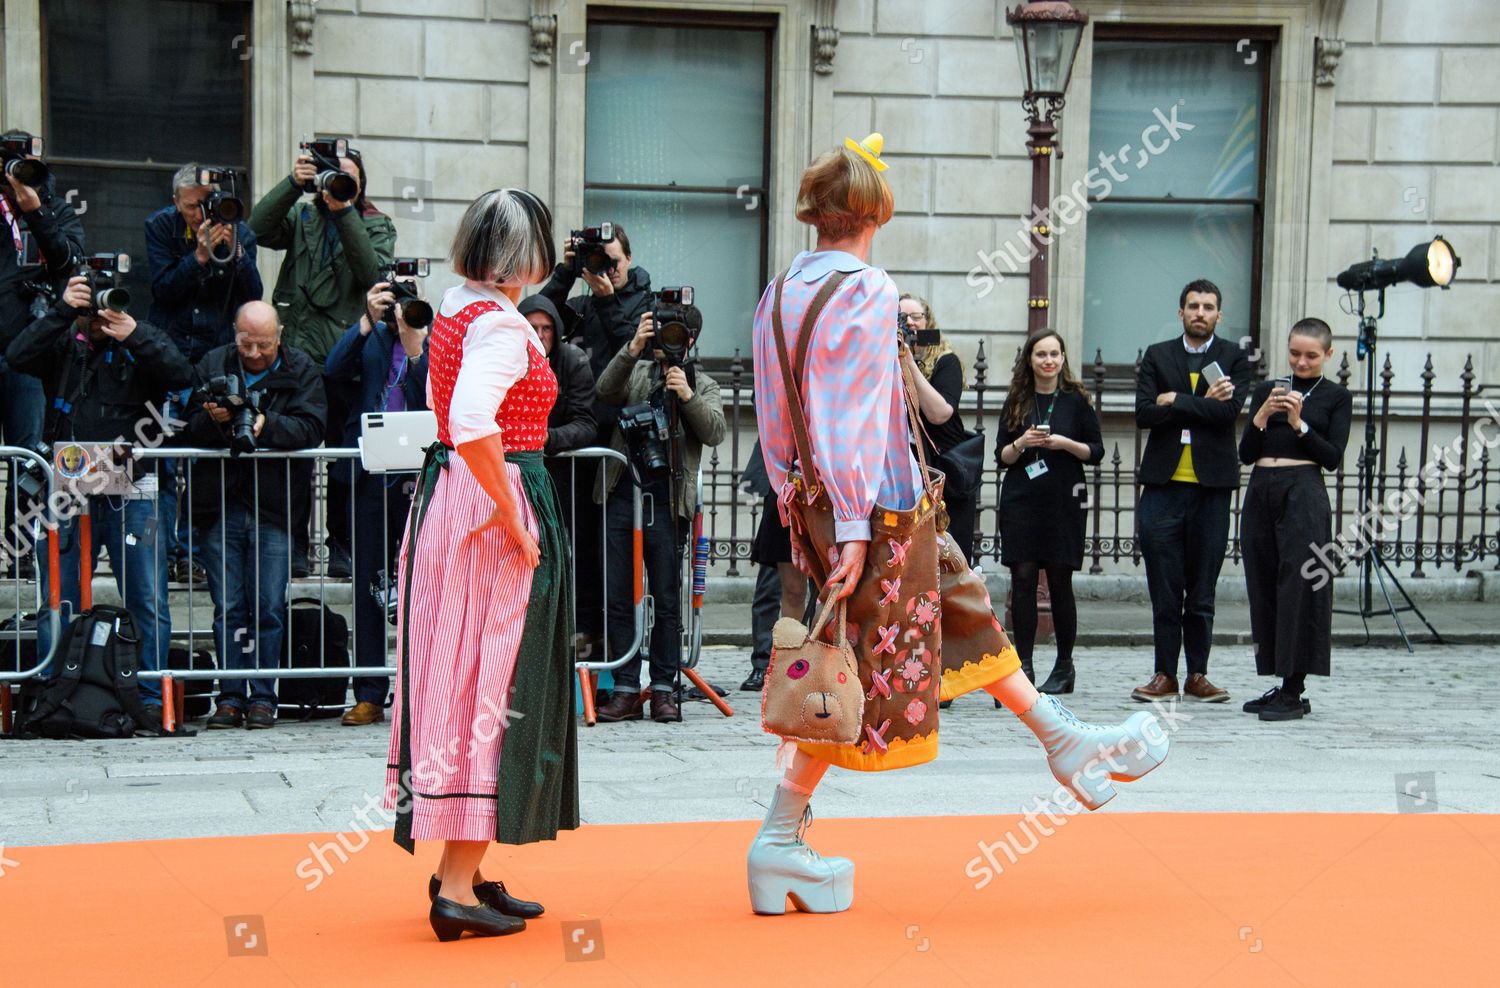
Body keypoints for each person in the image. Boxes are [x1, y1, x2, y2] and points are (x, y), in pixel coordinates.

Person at [747, 134, 1169, 916]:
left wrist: (806, 507)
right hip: (871, 507)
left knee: (956, 609)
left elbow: (777, 420)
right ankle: (776, 839)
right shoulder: (867, 289)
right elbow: (847, 418)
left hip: (832, 501)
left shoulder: (777, 294)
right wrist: (851, 525)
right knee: (849, 666)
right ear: (875, 208)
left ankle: (1061, 739)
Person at [383, 188, 578, 942]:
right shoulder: (497, 324)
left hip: (451, 503)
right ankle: (457, 883)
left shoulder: (458, 304)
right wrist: (509, 512)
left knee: (469, 678)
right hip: (488, 507)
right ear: (521, 256)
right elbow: (471, 422)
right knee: (497, 684)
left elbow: (458, 420)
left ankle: (463, 866)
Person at [6, 271, 191, 727]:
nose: (99, 316)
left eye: (107, 305)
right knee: (60, 597)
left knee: (147, 598)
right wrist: (63, 311)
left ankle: (148, 695)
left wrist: (137, 334)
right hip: (68, 488)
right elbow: (16, 355)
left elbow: (182, 376)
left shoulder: (138, 339)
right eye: (92, 307)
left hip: (134, 488)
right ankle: (56, 692)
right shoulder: (63, 342)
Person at [249, 140, 396, 576]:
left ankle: (341, 546)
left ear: (359, 183)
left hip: (343, 358)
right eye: (331, 173)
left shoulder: (375, 223)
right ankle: (294, 543)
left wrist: (344, 210)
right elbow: (255, 230)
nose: (336, 181)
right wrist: (292, 185)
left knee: (343, 456)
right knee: (295, 452)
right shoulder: (302, 215)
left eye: (347, 176)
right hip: (295, 355)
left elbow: (373, 273)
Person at [180, 302, 327, 730]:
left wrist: (264, 424)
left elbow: (313, 428)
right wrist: (213, 421)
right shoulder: (213, 362)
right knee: (228, 607)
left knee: (267, 608)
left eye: (264, 343)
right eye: (247, 342)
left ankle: (263, 696)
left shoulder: (301, 368)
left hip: (275, 509)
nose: (256, 352)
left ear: (279, 338)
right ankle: (229, 696)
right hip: (221, 506)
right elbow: (186, 427)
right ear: (234, 333)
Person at [593, 306, 727, 723]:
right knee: (619, 595)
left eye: (676, 334)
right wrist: (632, 347)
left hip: (669, 502)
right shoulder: (638, 372)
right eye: (661, 333)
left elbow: (715, 431)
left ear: (690, 340)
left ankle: (665, 688)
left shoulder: (701, 383)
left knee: (667, 600)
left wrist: (685, 395)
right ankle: (627, 687)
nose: (668, 342)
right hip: (624, 492)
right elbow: (604, 389)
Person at [1131, 279, 1250, 704]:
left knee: (1202, 588)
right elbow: (1145, 413)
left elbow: (1229, 414)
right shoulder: (1159, 355)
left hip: (1211, 490)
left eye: (1209, 307)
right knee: (1164, 587)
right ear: (1181, 312)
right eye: (1194, 306)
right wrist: (1199, 401)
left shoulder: (1234, 356)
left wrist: (1175, 399)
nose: (1201, 312)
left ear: (1219, 314)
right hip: (1163, 489)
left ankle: (1198, 674)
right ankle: (1165, 674)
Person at [145, 162, 263, 586]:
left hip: (213, 357)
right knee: (163, 457)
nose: (203, 215)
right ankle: (163, 549)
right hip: (169, 356)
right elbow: (161, 290)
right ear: (177, 201)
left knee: (201, 460)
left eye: (206, 205)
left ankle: (192, 554)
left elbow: (253, 296)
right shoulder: (160, 227)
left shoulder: (236, 227)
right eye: (194, 207)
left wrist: (237, 253)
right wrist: (197, 256)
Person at [323, 279, 430, 727]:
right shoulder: (372, 335)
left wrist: (415, 343)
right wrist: (368, 319)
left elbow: (435, 394)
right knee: (370, 583)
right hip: (370, 473)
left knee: (422, 586)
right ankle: (369, 691)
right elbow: (332, 370)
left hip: (420, 474)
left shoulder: (430, 333)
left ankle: (419, 691)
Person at [1238, 318, 1352, 721]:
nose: (1301, 362)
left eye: (1311, 356)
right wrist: (1261, 417)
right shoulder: (1268, 390)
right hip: (1261, 486)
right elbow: (1245, 453)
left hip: (1303, 488)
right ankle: (1279, 678)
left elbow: (1333, 457)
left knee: (1299, 585)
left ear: (1328, 355)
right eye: (1295, 354)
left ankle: (1294, 687)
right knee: (1264, 580)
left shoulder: (1336, 397)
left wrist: (1300, 424)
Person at [996, 330, 1103, 694]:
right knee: (1023, 578)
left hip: (1063, 501)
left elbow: (1096, 451)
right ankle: (1023, 664)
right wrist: (1021, 442)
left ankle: (1064, 666)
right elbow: (1001, 457)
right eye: (1041, 354)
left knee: (1060, 580)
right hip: (1022, 501)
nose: (1048, 361)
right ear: (1030, 359)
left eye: (1055, 354)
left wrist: (1064, 444)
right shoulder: (1018, 400)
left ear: (1062, 358)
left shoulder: (1076, 400)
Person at [1, 129, 85, 578]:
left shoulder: (56, 209)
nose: (22, 176)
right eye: (13, 166)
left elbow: (70, 263)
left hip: (29, 352)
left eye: (30, 166)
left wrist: (36, 212)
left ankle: (19, 552)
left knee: (25, 453)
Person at [900, 293, 979, 559]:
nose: (909, 322)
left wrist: (908, 361)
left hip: (944, 477)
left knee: (948, 561)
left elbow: (940, 413)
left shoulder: (946, 361)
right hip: (908, 476)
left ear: (928, 322)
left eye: (915, 316)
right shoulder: (883, 363)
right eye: (901, 317)